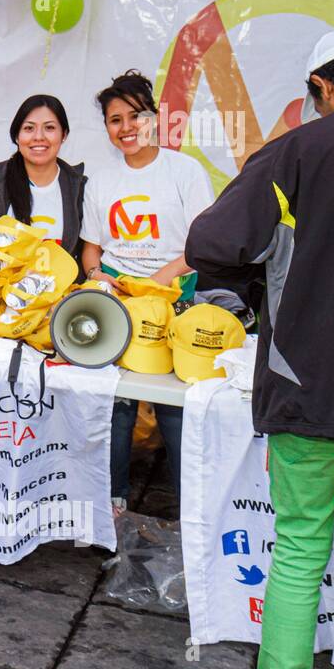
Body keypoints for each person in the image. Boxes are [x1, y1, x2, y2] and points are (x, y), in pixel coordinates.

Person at [187, 28, 334, 669]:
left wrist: (266, 293)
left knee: (301, 549)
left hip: (306, 386)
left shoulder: (298, 149)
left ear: (326, 88)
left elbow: (211, 244)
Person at [79, 70, 215, 514]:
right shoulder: (101, 180)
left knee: (174, 404)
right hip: (121, 300)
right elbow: (92, 249)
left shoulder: (184, 171)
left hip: (174, 294)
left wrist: (157, 284)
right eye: (115, 120)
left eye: (135, 116)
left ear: (154, 117)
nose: (126, 128)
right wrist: (100, 276)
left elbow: (200, 245)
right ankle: (112, 498)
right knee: (117, 400)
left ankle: (187, 506)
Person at [0, 94, 86, 258]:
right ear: (17, 136)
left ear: (64, 135)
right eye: (29, 128)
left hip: (63, 284)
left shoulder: (80, 188)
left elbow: (88, 253)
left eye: (49, 128)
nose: (39, 136)